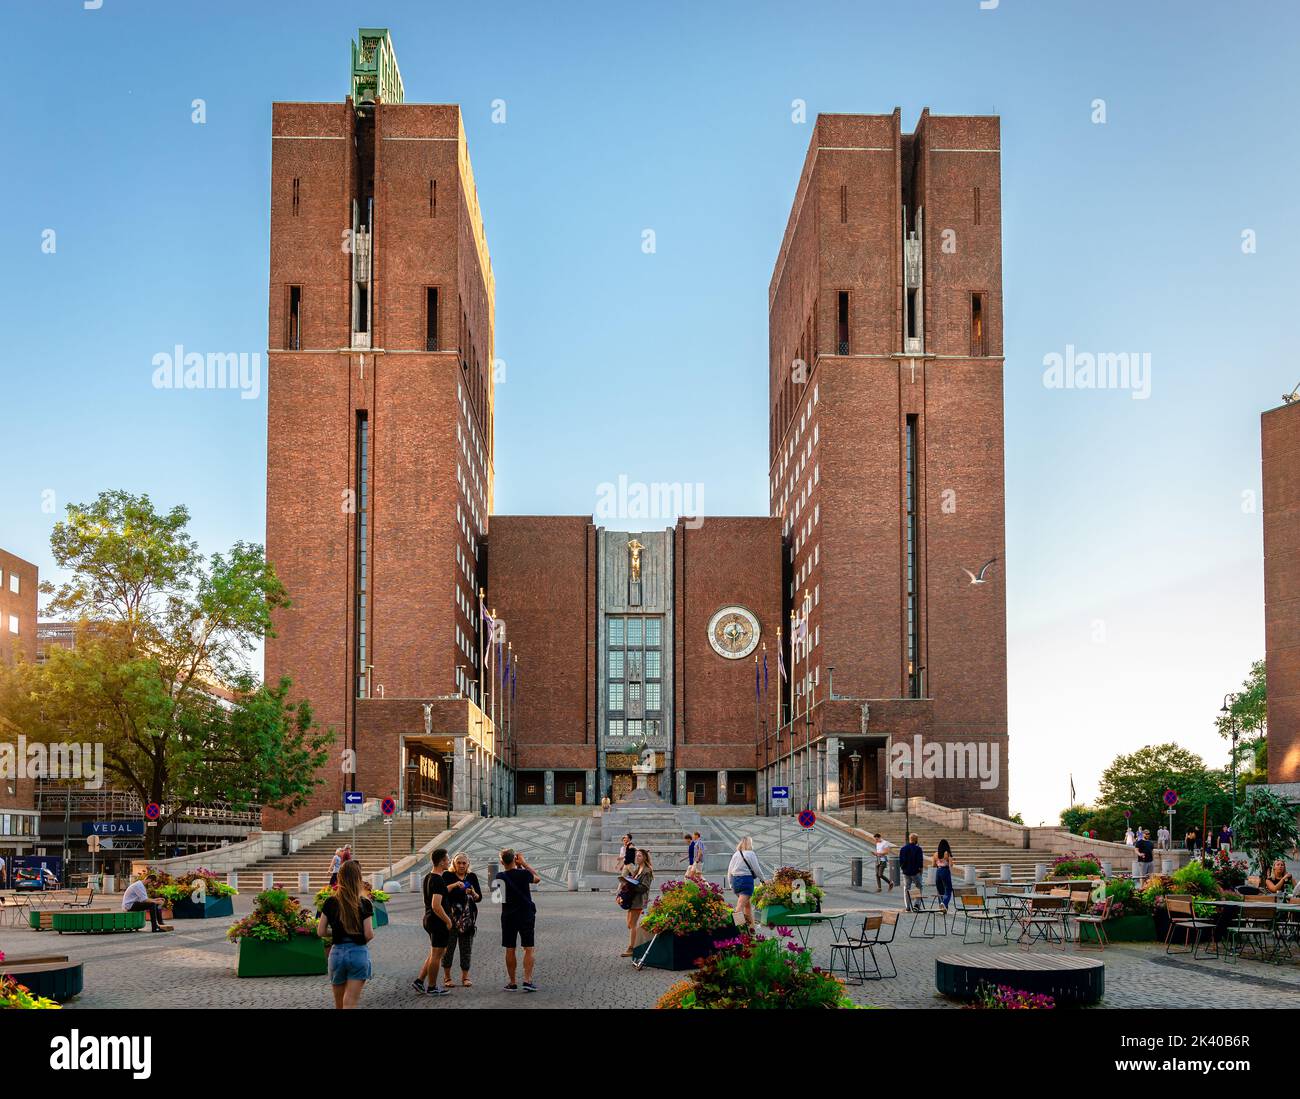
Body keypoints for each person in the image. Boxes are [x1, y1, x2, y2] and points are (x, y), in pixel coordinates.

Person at [317, 858, 374, 1009]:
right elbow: (369, 934)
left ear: (340, 877)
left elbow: (321, 931)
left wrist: (337, 932)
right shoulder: (365, 902)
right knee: (350, 1002)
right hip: (357, 953)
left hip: (336, 954)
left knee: (339, 1004)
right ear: (358, 878)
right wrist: (355, 937)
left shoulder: (330, 901)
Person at [497, 848, 540, 992]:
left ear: (501, 861)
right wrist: (524, 864)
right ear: (515, 859)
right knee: (528, 948)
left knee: (510, 948)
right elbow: (537, 878)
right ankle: (527, 980)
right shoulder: (523, 873)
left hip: (508, 916)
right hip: (525, 914)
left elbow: (498, 898)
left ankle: (512, 982)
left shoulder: (499, 876)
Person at [414, 849, 454, 996]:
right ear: (442, 861)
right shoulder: (437, 879)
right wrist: (448, 920)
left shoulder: (429, 877)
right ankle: (432, 987)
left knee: (435, 953)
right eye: (447, 859)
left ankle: (419, 981)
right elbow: (436, 905)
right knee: (437, 955)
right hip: (437, 922)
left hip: (429, 919)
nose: (449, 861)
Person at [441, 851, 481, 989]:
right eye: (459, 863)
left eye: (464, 863)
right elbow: (442, 892)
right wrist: (454, 885)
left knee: (466, 948)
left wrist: (473, 893)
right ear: (454, 863)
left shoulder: (472, 877)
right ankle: (447, 977)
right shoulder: (448, 875)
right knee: (449, 948)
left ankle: (465, 977)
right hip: (450, 917)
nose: (462, 865)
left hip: (467, 918)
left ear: (468, 864)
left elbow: (479, 897)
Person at [620, 848, 654, 958]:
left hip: (639, 900)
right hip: (633, 899)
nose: (637, 857)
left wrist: (632, 885)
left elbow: (645, 887)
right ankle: (639, 943)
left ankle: (632, 948)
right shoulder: (638, 868)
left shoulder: (647, 871)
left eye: (639, 856)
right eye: (636, 856)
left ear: (644, 857)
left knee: (633, 924)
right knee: (630, 923)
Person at [727, 837, 763, 928]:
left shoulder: (736, 854)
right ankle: (738, 928)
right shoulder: (751, 854)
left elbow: (729, 870)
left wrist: (730, 884)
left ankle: (751, 927)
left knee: (747, 905)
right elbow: (757, 869)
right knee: (739, 906)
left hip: (735, 881)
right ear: (749, 844)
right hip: (746, 881)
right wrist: (763, 879)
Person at [899, 833, 925, 912]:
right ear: (916, 840)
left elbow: (901, 861)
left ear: (909, 839)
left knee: (907, 888)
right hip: (915, 871)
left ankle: (907, 906)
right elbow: (920, 861)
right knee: (919, 886)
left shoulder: (903, 848)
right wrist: (920, 870)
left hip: (906, 872)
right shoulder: (918, 849)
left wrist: (903, 868)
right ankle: (916, 904)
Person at [933, 839, 954, 911]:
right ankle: (944, 904)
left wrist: (939, 863)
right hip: (945, 870)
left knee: (940, 890)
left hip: (938, 871)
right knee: (948, 889)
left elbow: (933, 865)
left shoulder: (935, 854)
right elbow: (951, 864)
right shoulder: (947, 853)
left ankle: (941, 906)